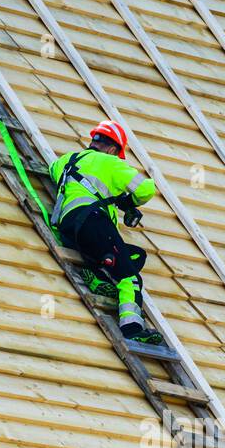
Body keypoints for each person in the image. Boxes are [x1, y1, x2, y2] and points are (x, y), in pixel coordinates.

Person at [49, 120, 163, 346]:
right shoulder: (110, 162)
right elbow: (146, 189)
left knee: (132, 255)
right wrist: (128, 202)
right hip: (93, 222)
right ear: (113, 149)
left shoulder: (67, 160)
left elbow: (53, 171)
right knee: (130, 278)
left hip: (67, 228)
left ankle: (95, 277)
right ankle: (132, 329)